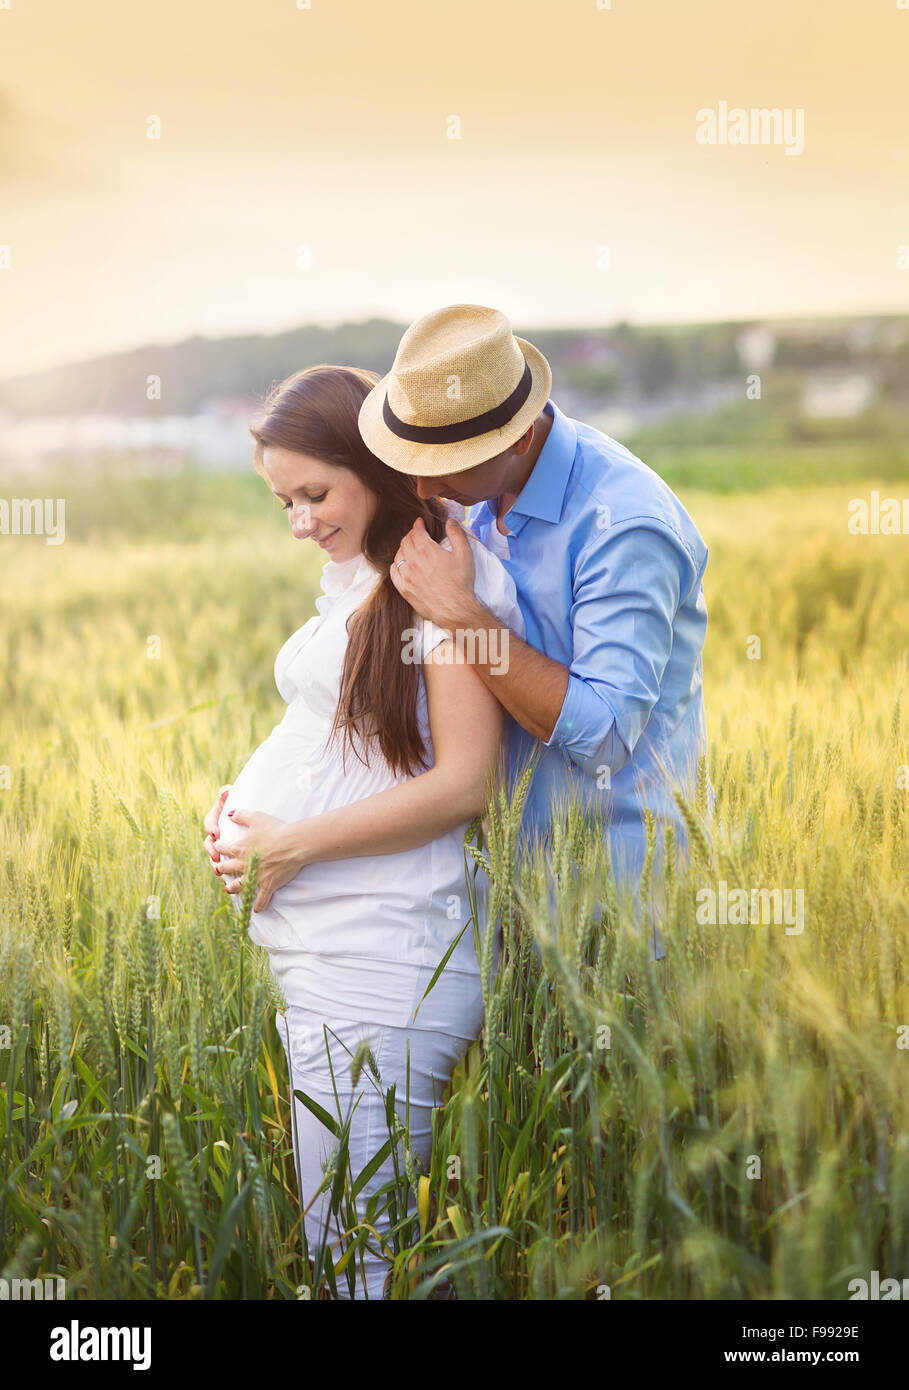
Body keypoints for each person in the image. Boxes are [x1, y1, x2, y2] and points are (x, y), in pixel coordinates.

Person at [202, 363, 524, 1299]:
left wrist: (292, 844)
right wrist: (238, 806)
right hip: (334, 962)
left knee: (357, 1267)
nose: (299, 520)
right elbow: (338, 737)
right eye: (282, 501)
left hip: (383, 970)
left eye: (315, 492)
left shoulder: (436, 574)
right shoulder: (355, 578)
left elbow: (464, 782)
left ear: (375, 466)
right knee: (353, 1253)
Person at [360, 304, 711, 951]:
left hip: (622, 900)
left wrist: (462, 616)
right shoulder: (472, 492)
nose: (421, 480)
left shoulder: (625, 525)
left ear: (519, 438)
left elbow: (604, 734)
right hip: (503, 891)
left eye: (446, 460)